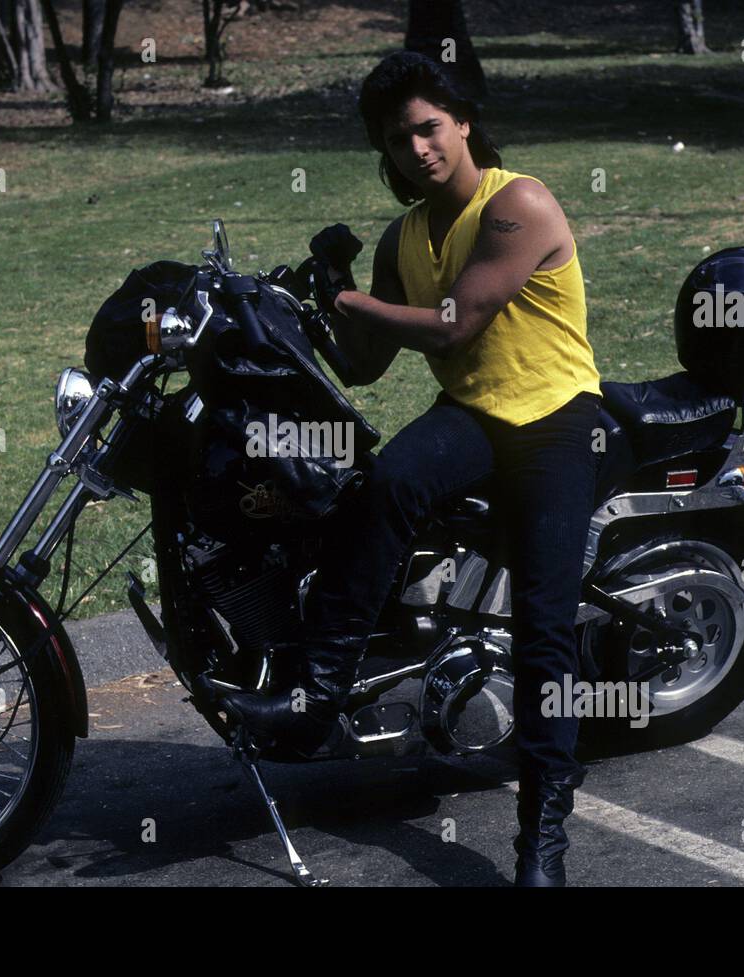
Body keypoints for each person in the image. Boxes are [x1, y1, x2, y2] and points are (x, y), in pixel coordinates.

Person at [220, 50, 604, 887]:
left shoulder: (519, 203)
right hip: (473, 415)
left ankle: (543, 845)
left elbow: (453, 324)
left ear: (463, 122)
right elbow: (365, 364)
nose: (417, 149)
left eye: (429, 128)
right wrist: (331, 291)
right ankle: (317, 698)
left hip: (553, 418)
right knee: (382, 483)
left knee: (544, 628)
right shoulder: (405, 236)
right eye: (398, 139)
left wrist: (358, 302)